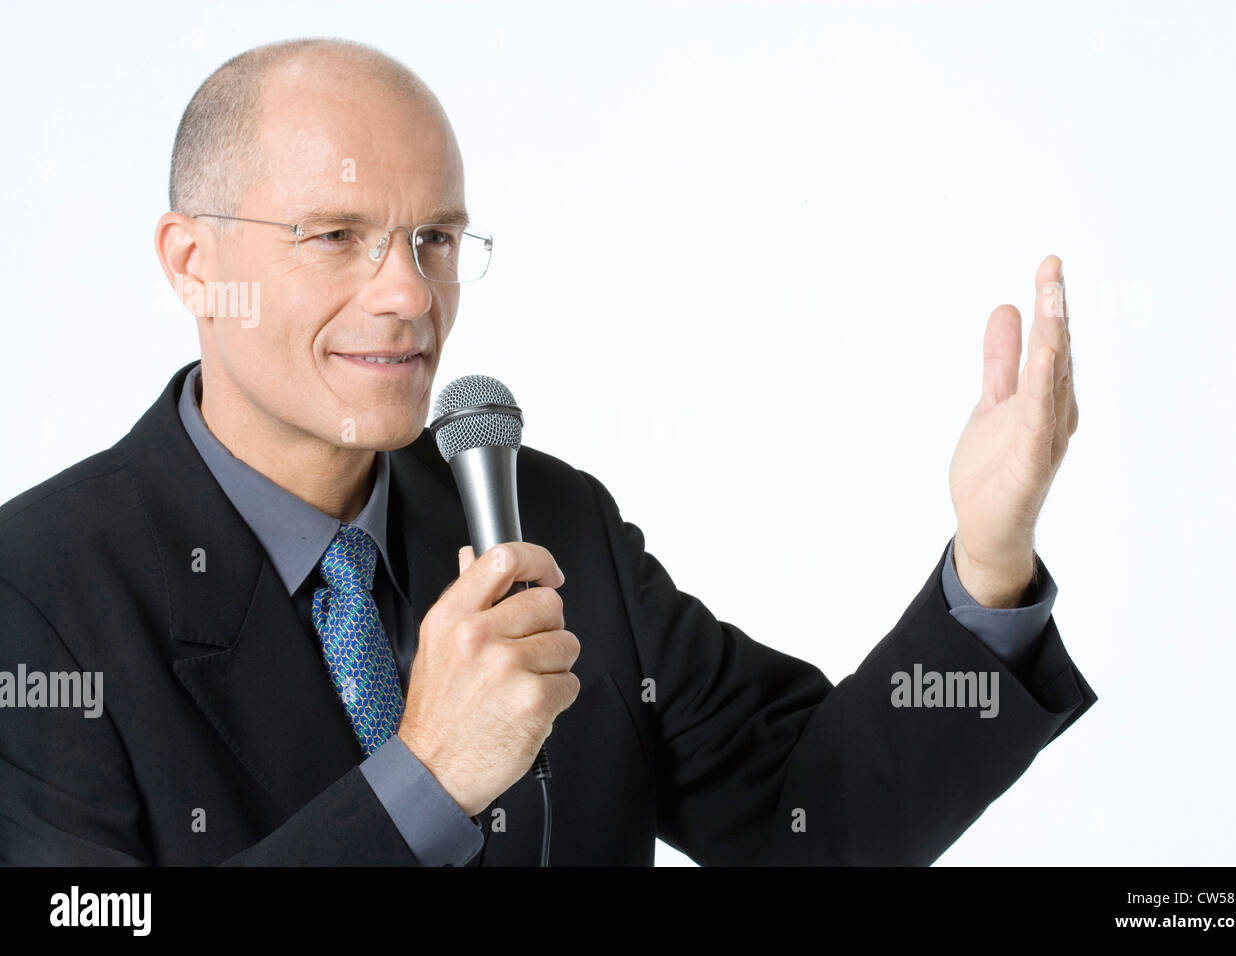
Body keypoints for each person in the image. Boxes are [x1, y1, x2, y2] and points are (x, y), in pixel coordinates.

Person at [0, 37, 1093, 866]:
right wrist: (425, 779)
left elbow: (816, 817)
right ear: (192, 263)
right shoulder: (39, 592)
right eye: (335, 236)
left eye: (435, 239)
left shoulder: (546, 526)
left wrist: (988, 564)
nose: (404, 294)